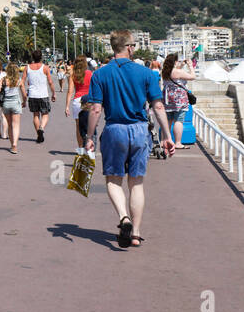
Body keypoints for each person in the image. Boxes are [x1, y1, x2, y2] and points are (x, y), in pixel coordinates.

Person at [85, 30, 175, 249]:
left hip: (114, 129)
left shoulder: (100, 74)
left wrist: (89, 137)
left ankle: (123, 217)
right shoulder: (146, 74)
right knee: (136, 182)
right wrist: (167, 136)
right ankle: (135, 233)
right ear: (128, 47)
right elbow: (158, 106)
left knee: (114, 179)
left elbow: (96, 109)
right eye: (133, 44)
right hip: (139, 130)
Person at [160, 53, 196, 148]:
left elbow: (175, 72)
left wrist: (182, 65)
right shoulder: (177, 72)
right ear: (175, 62)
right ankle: (178, 143)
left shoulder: (164, 71)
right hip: (179, 99)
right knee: (178, 120)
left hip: (167, 99)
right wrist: (190, 66)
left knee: (168, 121)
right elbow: (193, 76)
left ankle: (164, 141)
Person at [24, 48, 58, 144]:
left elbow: (22, 81)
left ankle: (38, 135)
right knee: (45, 114)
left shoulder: (27, 67)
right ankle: (41, 128)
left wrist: (24, 95)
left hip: (32, 95)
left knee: (35, 115)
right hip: (43, 94)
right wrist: (53, 93)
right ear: (41, 57)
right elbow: (50, 82)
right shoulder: (45, 67)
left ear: (33, 57)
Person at [0, 63, 26, 154]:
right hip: (16, 103)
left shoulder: (3, 80)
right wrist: (24, 102)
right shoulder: (19, 80)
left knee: (10, 125)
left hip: (6, 104)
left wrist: (3, 89)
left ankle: (12, 145)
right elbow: (24, 94)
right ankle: (15, 145)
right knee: (16, 125)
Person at [64, 56, 93, 156]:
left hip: (77, 101)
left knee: (78, 126)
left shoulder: (73, 74)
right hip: (88, 100)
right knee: (90, 126)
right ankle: (89, 148)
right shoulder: (90, 73)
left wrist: (67, 106)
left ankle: (80, 149)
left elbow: (70, 91)